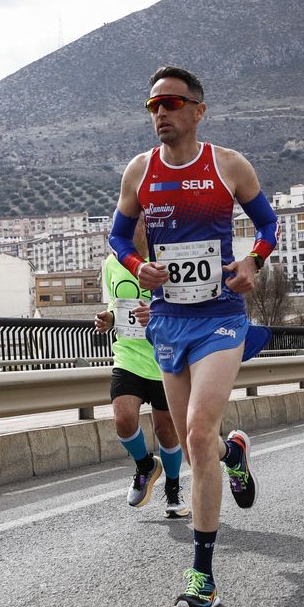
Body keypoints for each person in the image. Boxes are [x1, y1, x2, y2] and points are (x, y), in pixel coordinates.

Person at [108, 65, 277, 607]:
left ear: (198, 110)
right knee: (195, 438)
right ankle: (235, 453)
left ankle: (202, 576)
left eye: (173, 103)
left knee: (197, 430)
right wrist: (139, 264)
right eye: (153, 105)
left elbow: (269, 226)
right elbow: (116, 236)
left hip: (221, 318)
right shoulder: (140, 170)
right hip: (168, 319)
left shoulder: (227, 165)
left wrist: (253, 259)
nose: (161, 113)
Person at [93, 221, 187, 519]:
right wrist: (107, 318)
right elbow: (116, 303)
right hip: (128, 355)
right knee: (123, 418)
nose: (135, 226)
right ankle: (146, 466)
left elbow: (185, 307)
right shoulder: (112, 263)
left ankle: (173, 489)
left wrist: (157, 314)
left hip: (164, 357)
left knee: (166, 430)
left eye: (140, 220)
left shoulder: (167, 260)